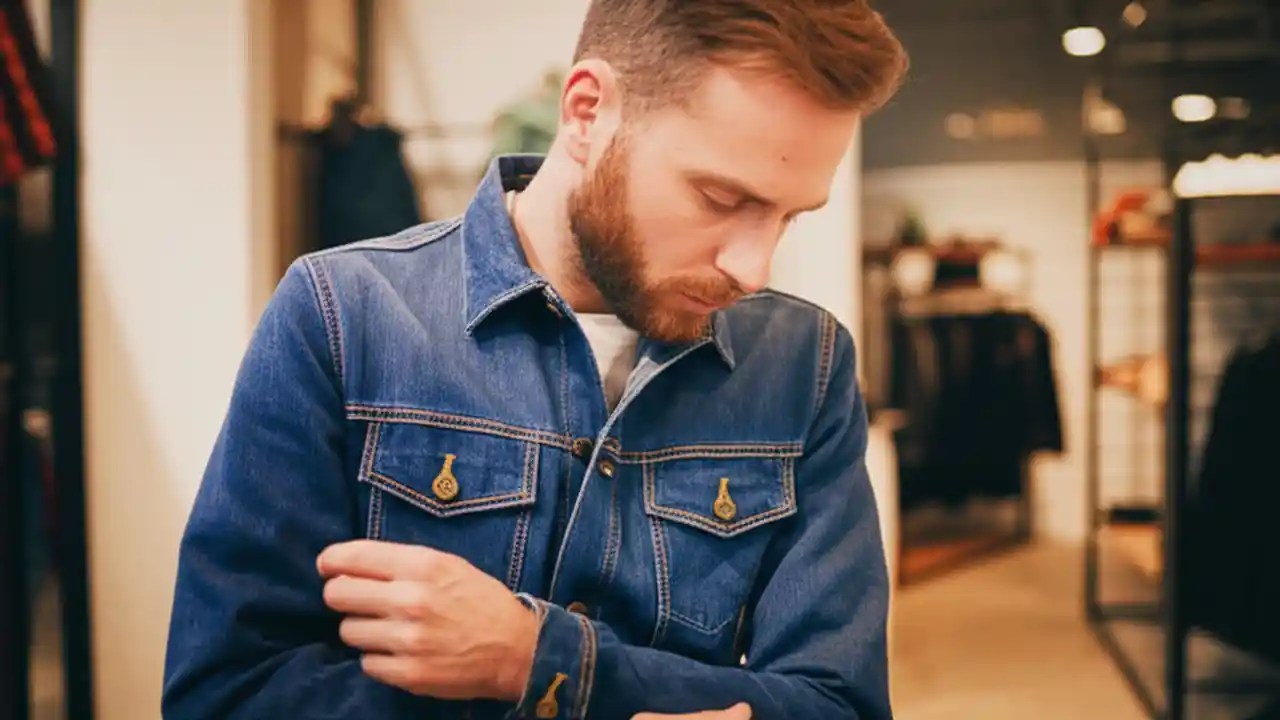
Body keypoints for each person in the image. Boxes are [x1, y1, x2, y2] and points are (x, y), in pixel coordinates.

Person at [162, 1, 907, 718]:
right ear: (588, 112)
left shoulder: (804, 364)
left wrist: (534, 659)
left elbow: (838, 702)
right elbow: (228, 693)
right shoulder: (342, 314)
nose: (753, 268)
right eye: (720, 197)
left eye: (789, 215)